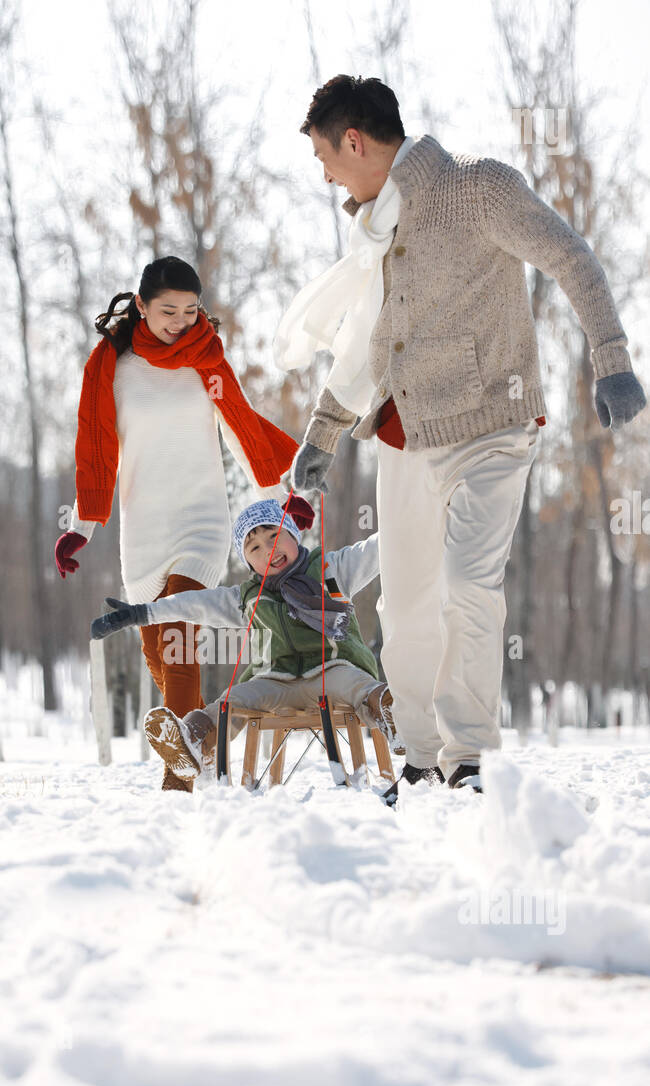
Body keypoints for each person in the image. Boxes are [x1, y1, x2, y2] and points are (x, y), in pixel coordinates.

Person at [278, 75, 647, 801]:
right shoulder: (377, 229)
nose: (324, 175)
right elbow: (368, 341)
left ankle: (469, 754)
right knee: (406, 600)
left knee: (466, 584)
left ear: (354, 140)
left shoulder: (478, 189)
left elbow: (570, 255)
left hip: (491, 427)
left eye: (325, 156)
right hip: (403, 432)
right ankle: (420, 755)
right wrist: (323, 431)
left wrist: (610, 359)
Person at [56, 256, 310, 790]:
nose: (180, 321)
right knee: (158, 652)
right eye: (168, 310)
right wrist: (82, 524)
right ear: (141, 306)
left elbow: (243, 429)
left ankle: (179, 780)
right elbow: (95, 447)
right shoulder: (110, 368)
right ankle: (208, 747)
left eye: (191, 311)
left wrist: (288, 495)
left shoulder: (207, 360)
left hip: (202, 518)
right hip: (143, 524)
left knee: (179, 633)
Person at [89, 498, 393, 791]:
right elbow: (193, 605)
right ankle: (192, 743)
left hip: (334, 671)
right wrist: (141, 613)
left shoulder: (332, 569)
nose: (268, 549)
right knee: (229, 701)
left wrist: (420, 510)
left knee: (359, 686)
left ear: (294, 534)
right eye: (254, 547)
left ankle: (394, 715)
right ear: (248, 561)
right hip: (277, 681)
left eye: (275, 535)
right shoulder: (245, 598)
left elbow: (382, 545)